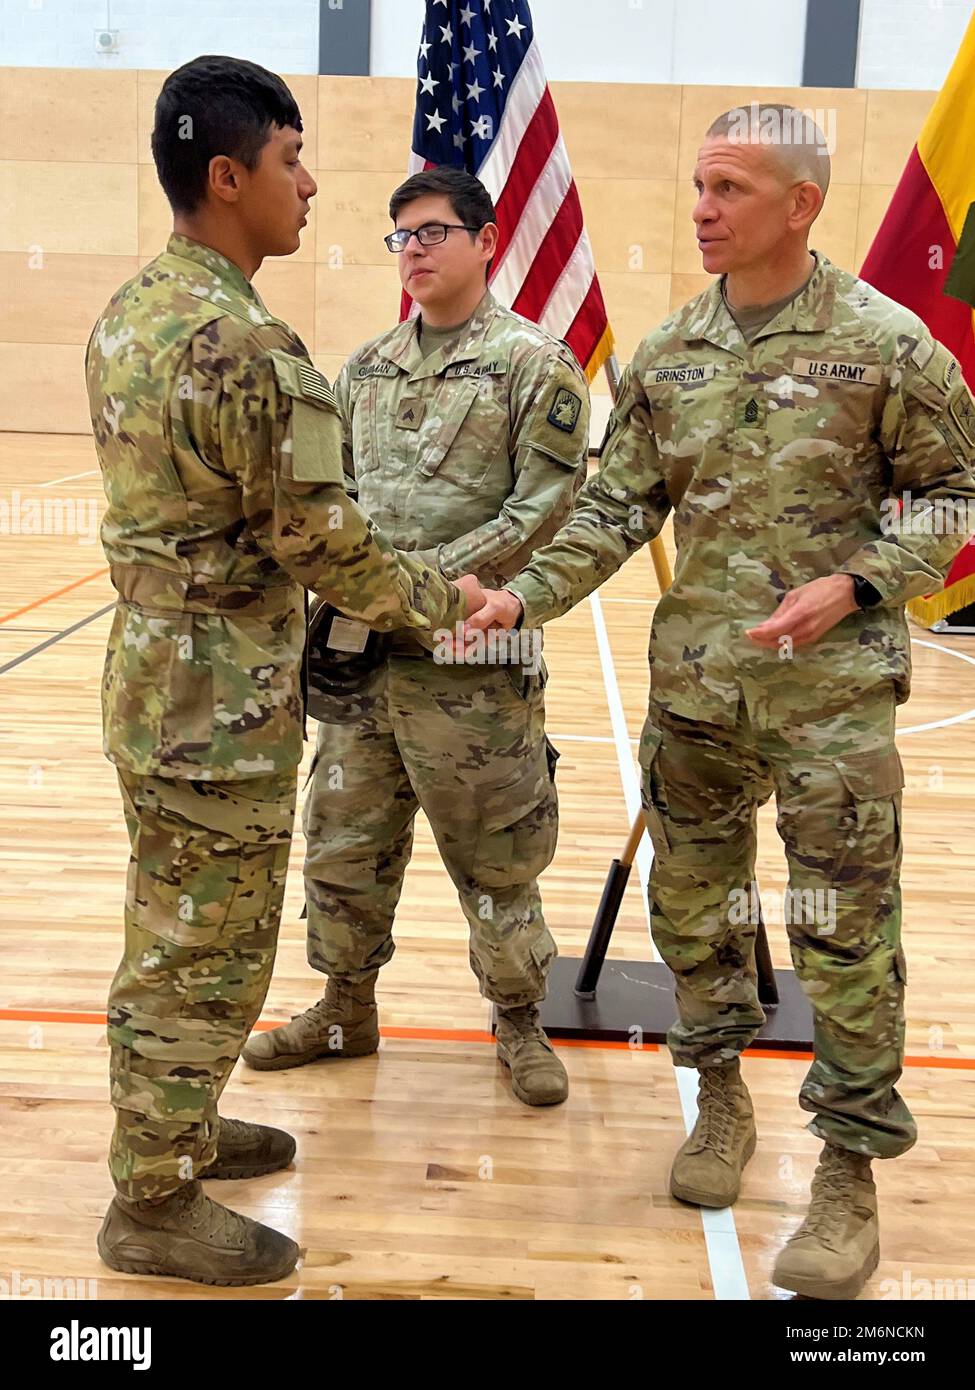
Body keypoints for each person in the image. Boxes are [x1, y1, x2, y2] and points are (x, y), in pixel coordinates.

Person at [465, 104, 975, 1299]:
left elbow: (954, 504)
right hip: (697, 687)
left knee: (843, 926)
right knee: (693, 903)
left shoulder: (890, 346)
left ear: (801, 205)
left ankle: (847, 1168)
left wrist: (854, 585)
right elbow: (616, 505)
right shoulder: (672, 351)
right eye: (697, 186)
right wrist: (525, 594)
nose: (702, 209)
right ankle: (722, 1099)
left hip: (832, 700)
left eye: (730, 189)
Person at [86, 56, 478, 1288]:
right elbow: (320, 537)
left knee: (176, 917)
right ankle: (150, 1200)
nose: (309, 186)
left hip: (155, 677)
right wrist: (437, 603)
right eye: (291, 162)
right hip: (220, 706)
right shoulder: (243, 341)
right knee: (206, 946)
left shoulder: (132, 311)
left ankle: (180, 1133)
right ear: (227, 175)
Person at [242, 167, 591, 1107]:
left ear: (485, 241)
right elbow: (331, 503)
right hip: (362, 666)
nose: (417, 250)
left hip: (475, 665)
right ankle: (345, 1006)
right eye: (402, 236)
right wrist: (360, 586)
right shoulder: (361, 370)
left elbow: (545, 508)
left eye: (435, 231)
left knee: (497, 860)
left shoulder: (533, 365)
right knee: (343, 849)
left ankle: (518, 1019)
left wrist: (410, 588)